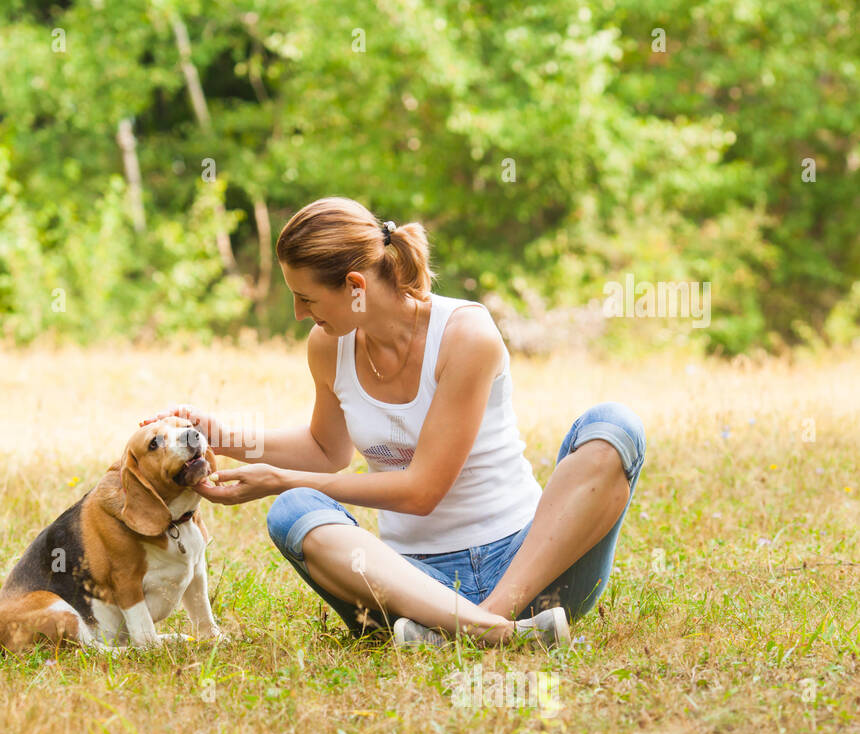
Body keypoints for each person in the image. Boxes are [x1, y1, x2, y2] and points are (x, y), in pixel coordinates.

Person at [144, 197, 646, 647]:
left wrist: (279, 479)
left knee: (614, 426)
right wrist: (218, 436)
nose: (298, 314)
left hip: (533, 573)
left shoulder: (466, 336)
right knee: (292, 511)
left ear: (355, 287)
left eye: (307, 298)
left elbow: (423, 490)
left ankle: (483, 624)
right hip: (411, 580)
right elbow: (325, 450)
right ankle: (487, 631)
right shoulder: (329, 346)